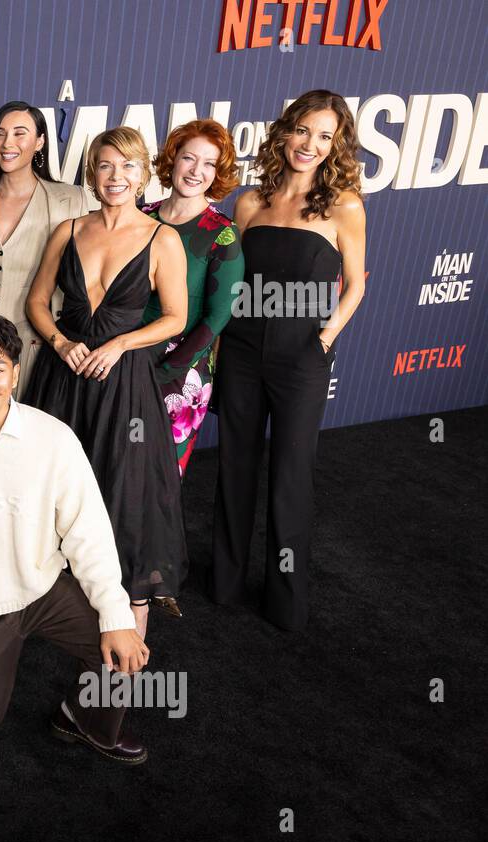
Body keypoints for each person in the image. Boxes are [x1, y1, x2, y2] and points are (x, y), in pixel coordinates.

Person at [0, 317, 148, 763]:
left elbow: (88, 530)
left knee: (121, 651)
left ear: (16, 373)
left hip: (43, 587)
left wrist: (117, 615)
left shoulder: (53, 437)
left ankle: (82, 719)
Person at [24, 126, 189, 640]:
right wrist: (60, 343)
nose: (116, 177)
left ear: (143, 175)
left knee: (123, 487)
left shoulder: (164, 238)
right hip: (64, 378)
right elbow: (36, 302)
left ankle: (128, 614)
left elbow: (176, 318)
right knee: (55, 485)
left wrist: (119, 345)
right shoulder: (68, 230)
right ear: (92, 175)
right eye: (105, 166)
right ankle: (48, 600)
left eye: (128, 167)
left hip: (125, 383)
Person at [211, 90, 366, 632]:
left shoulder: (344, 205)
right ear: (286, 132)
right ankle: (225, 583)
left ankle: (286, 600)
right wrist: (220, 342)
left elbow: (355, 284)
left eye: (325, 136)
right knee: (235, 464)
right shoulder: (251, 202)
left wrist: (325, 338)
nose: (311, 145)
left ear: (336, 145)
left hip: (302, 356)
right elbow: (230, 283)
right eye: (303, 130)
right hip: (242, 350)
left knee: (291, 475)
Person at [0, 100, 89, 399]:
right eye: (0, 134)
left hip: (37, 345)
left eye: (19, 133)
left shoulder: (71, 200)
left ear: (39, 141)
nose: (7, 143)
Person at [140, 119, 244, 479]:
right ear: (173, 160)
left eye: (209, 164)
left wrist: (166, 371)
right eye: (188, 158)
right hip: (124, 358)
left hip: (180, 374)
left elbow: (216, 319)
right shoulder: (141, 217)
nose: (196, 171)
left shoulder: (222, 233)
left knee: (159, 479)